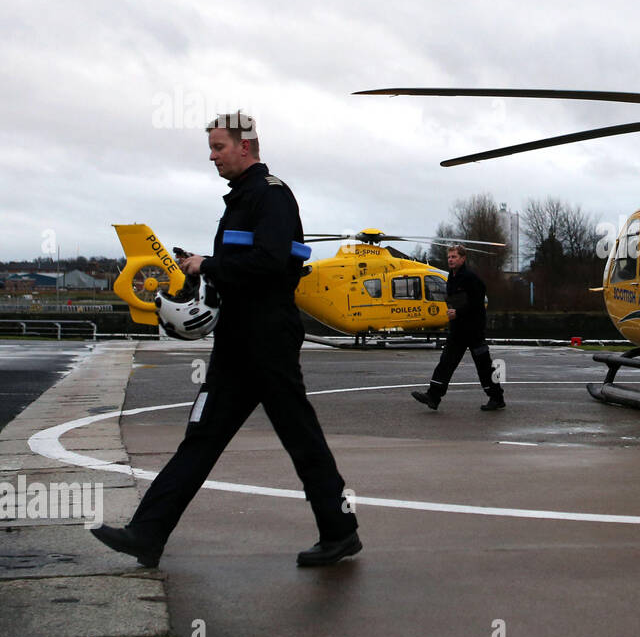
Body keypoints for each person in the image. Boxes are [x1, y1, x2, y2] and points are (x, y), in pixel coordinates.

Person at [92, 112, 361, 568]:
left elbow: (273, 264)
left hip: (267, 341)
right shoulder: (242, 199)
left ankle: (339, 531)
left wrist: (208, 265)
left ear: (245, 146)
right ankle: (147, 534)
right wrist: (202, 273)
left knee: (300, 438)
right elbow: (246, 265)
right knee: (203, 437)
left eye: (218, 147)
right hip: (238, 342)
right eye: (211, 148)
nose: (212, 156)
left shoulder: (270, 197)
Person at [411, 244, 505, 411]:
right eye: (449, 257)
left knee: (484, 366)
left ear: (463, 258)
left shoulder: (470, 278)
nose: (451, 260)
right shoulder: (452, 278)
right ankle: (433, 396)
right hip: (458, 330)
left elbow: (477, 302)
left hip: (473, 330)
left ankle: (496, 397)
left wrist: (459, 312)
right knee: (446, 362)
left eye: (454, 257)